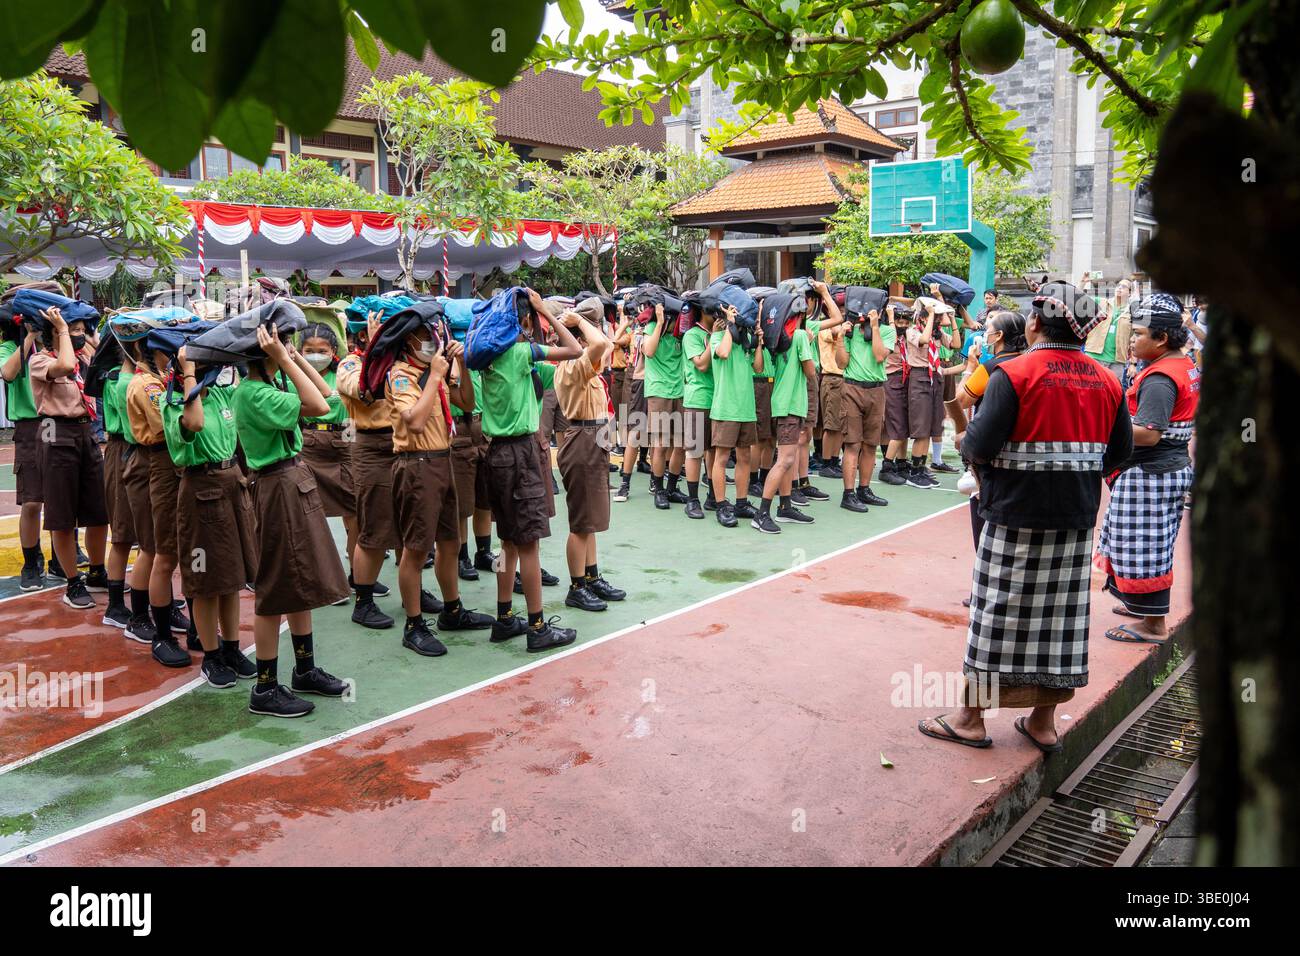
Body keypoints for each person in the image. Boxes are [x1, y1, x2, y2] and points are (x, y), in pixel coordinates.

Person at [918, 282, 1132, 752]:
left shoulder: (1014, 375)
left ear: (1036, 322)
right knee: (1061, 619)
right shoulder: (1109, 381)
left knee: (996, 612)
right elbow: (1119, 453)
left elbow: (977, 445)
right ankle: (1042, 721)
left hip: (1013, 514)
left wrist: (967, 445)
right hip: (1076, 518)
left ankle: (972, 719)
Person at [233, 321, 350, 718]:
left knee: (300, 582)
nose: (291, 350)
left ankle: (305, 668)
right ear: (265, 357)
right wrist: (286, 359)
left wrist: (292, 358)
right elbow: (318, 406)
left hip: (291, 480)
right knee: (275, 586)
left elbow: (328, 393)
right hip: (276, 486)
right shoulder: (255, 392)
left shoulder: (271, 386)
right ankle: (265, 687)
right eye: (282, 346)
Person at [376, 305, 495, 655]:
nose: (432, 342)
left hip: (442, 461)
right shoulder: (400, 375)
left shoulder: (432, 371)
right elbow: (413, 420)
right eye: (425, 338)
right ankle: (413, 625)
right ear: (407, 342)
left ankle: (453, 610)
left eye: (434, 336)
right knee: (415, 550)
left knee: (449, 542)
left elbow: (467, 403)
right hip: (416, 465)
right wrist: (436, 374)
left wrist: (460, 369)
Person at [479, 288, 583, 652]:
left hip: (494, 454)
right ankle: (537, 626)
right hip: (521, 454)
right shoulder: (522, 352)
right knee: (529, 546)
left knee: (506, 542)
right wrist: (545, 312)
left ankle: (505, 617)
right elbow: (575, 349)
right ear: (524, 320)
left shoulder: (486, 356)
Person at [1099, 293, 1199, 644]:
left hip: (1152, 474)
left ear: (1162, 339)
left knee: (1144, 547)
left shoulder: (1159, 379)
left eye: (1139, 333)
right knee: (1145, 543)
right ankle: (1139, 607)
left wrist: (1105, 430)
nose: (1131, 339)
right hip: (1166, 471)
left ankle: (1153, 625)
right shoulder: (1181, 364)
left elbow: (1149, 435)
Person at [166, 346, 258, 687]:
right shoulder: (176, 400)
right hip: (200, 490)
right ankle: (212, 655)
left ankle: (232, 648)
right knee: (205, 582)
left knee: (232, 579)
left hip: (232, 484)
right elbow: (195, 423)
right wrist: (188, 373)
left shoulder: (223, 392)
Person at [26, 305, 110, 611]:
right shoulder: (40, 360)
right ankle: (73, 582)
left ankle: (98, 572)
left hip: (86, 432)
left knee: (100, 512)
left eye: (79, 330)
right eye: (73, 330)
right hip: (55, 433)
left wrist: (89, 332)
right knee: (62, 516)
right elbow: (62, 366)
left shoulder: (83, 358)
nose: (79, 335)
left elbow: (107, 359)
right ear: (54, 334)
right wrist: (62, 329)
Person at [126, 321, 196, 664]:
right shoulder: (147, 385)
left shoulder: (163, 380)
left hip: (176, 463)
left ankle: (176, 617)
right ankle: (158, 631)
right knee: (160, 551)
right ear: (145, 350)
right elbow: (171, 426)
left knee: (184, 550)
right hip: (161, 463)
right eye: (164, 349)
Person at [553, 298, 626, 610]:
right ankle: (576, 586)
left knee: (591, 519)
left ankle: (591, 577)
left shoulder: (583, 363)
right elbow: (602, 343)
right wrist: (577, 321)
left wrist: (578, 322)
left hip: (593, 438)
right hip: (582, 439)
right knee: (581, 522)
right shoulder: (572, 365)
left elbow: (603, 345)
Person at [336, 311, 402, 630]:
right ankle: (363, 602)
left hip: (402, 444)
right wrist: (377, 350)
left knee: (408, 523)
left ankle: (413, 590)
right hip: (372, 447)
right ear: (364, 335)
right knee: (373, 529)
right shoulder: (350, 364)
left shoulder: (398, 360)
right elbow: (365, 391)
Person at [954, 310, 1027, 558]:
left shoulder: (991, 367)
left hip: (991, 446)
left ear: (998, 336)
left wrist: (971, 366)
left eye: (988, 329)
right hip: (1024, 448)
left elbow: (961, 399)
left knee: (983, 509)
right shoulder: (1028, 363)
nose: (984, 334)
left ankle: (984, 579)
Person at [295, 323, 359, 600]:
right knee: (310, 515)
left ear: (333, 351)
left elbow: (352, 412)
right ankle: (322, 579)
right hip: (308, 446)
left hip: (343, 443)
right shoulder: (296, 376)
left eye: (322, 350)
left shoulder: (343, 373)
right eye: (309, 350)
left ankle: (357, 576)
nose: (316, 355)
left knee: (355, 510)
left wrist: (350, 445)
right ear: (299, 351)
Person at [752, 292, 817, 533]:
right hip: (791, 404)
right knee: (786, 459)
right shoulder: (799, 336)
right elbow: (810, 371)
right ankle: (762, 514)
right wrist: (808, 342)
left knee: (786, 460)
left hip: (783, 403)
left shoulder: (778, 338)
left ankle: (785, 506)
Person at [1, 292, 50, 592]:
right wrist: (29, 338)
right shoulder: (9, 346)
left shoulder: (55, 345)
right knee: (32, 500)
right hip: (30, 428)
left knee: (63, 496)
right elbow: (8, 372)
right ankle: (31, 561)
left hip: (57, 423)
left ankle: (62, 553)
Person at [708, 304, 765, 528]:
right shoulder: (717, 338)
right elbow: (722, 353)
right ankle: (721, 505)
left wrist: (758, 342)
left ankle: (741, 503)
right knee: (721, 458)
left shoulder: (745, 344)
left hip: (746, 408)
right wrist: (729, 326)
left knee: (744, 458)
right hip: (725, 408)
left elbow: (758, 368)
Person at [835, 303, 896, 513]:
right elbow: (841, 363)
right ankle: (848, 494)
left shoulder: (888, 331)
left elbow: (879, 356)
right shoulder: (851, 332)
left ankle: (864, 489)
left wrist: (876, 326)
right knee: (852, 444)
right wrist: (841, 338)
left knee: (871, 444)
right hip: (851, 387)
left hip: (876, 390)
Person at [642, 301, 689, 509]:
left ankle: (671, 488)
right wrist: (660, 322)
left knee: (680, 444)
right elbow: (649, 352)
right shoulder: (652, 328)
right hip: (659, 391)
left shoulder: (681, 333)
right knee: (660, 444)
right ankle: (659, 489)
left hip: (680, 392)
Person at [680, 297, 716, 518]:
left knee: (713, 451)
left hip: (717, 400)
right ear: (705, 311)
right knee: (695, 452)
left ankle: (713, 495)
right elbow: (701, 364)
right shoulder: (692, 335)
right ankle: (692, 500)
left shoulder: (717, 334)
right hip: (697, 399)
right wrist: (713, 340)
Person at [1083, 279, 1132, 381]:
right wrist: (1083, 282)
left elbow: (1134, 339)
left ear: (1130, 293)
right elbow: (1080, 299)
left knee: (1113, 393)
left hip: (1117, 362)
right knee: (1089, 390)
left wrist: (1133, 363)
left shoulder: (1131, 312)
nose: (1120, 288)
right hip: (1094, 356)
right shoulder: (1101, 302)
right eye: (1118, 285)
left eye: (1124, 286)